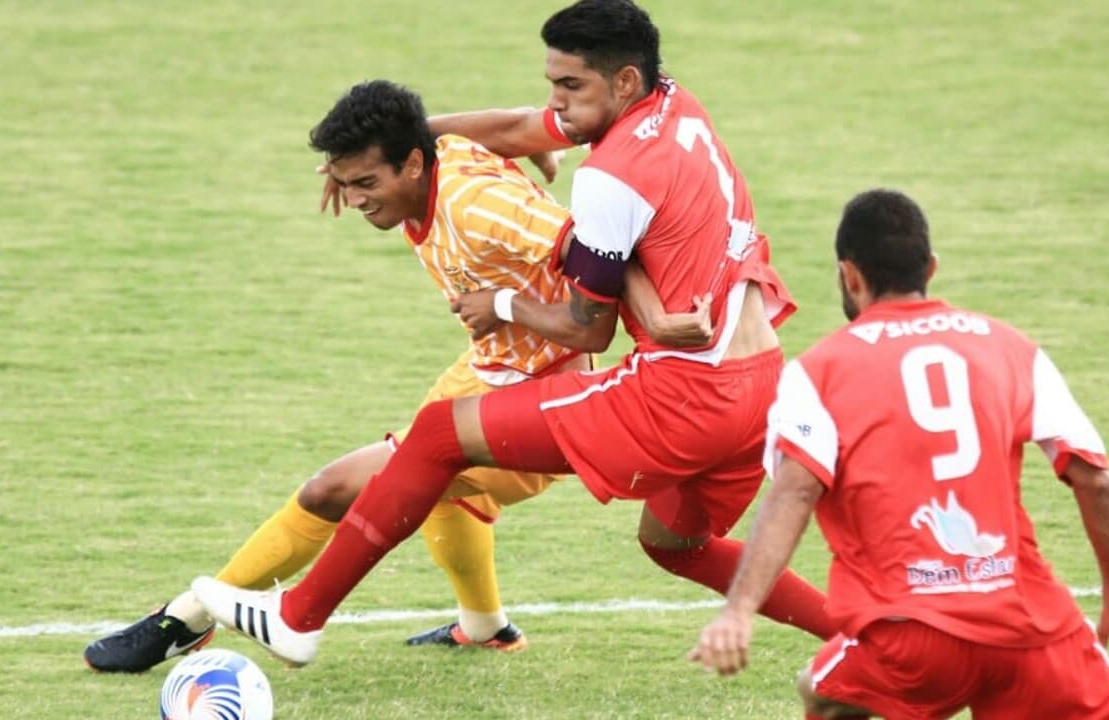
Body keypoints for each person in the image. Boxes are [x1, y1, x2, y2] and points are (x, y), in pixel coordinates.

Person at [192, 0, 834, 667]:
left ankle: (297, 617)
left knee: (438, 434)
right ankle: (854, 630)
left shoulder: (609, 178)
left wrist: (500, 301)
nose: (556, 103)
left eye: (569, 87)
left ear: (622, 83)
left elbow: (589, 329)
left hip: (683, 395)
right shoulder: (675, 105)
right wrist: (392, 144)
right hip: (761, 387)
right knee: (674, 544)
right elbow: (525, 126)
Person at [82, 78, 694, 673]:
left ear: (411, 166)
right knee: (446, 499)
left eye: (367, 183)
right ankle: (485, 628)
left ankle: (185, 617)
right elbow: (490, 127)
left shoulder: (477, 209)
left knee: (333, 490)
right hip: (488, 371)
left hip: (542, 403)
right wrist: (358, 172)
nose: (356, 200)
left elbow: (599, 260)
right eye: (346, 184)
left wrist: (644, 320)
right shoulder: (431, 158)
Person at [689, 189, 1109, 718]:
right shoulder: (1011, 347)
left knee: (824, 694)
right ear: (931, 267)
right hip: (1028, 628)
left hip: (912, 637)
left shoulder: (820, 371)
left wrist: (740, 611)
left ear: (850, 276)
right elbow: (1093, 479)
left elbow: (795, 490)